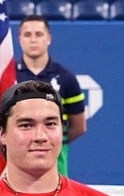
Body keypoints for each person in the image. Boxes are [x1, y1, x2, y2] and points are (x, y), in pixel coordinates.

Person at [15, 15, 86, 178]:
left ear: (48, 39)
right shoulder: (8, 76)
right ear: (20, 39)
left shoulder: (66, 78)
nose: (33, 40)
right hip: (14, 158)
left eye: (39, 34)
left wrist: (51, 142)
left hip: (56, 161)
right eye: (27, 35)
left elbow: (79, 126)